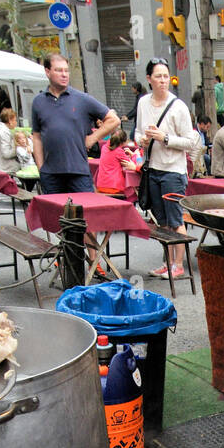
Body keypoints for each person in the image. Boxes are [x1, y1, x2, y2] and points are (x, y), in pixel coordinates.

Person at [135, 57, 198, 279]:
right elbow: (137, 132)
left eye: (166, 76)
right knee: (162, 223)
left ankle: (178, 264)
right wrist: (142, 140)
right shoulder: (143, 103)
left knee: (175, 220)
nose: (163, 81)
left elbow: (191, 142)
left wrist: (165, 138)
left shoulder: (178, 106)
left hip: (173, 171)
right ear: (149, 79)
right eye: (158, 76)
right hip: (152, 168)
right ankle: (167, 262)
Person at [31, 52, 119, 195]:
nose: (64, 74)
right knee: (55, 216)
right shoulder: (38, 102)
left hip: (79, 172)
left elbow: (113, 120)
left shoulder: (81, 99)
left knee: (86, 214)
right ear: (47, 72)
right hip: (51, 175)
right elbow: (36, 137)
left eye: (66, 70)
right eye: (59, 70)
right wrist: (41, 168)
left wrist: (92, 138)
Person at [95, 128, 138, 196]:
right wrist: (134, 155)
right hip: (114, 186)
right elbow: (130, 163)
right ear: (123, 142)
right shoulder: (119, 151)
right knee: (132, 193)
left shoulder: (104, 147)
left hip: (101, 184)